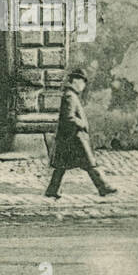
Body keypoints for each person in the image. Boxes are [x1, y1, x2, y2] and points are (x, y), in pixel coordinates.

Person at [45, 68, 117, 200]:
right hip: (75, 138)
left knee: (62, 166)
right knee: (90, 164)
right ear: (76, 81)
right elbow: (69, 118)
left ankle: (52, 189)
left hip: (69, 138)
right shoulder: (70, 96)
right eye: (82, 82)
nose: (83, 86)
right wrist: (83, 124)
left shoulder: (71, 95)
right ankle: (103, 187)